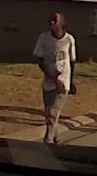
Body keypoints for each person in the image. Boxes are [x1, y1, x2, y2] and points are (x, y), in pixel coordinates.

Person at [32, 12, 76, 144]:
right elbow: (39, 60)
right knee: (48, 113)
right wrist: (52, 78)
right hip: (49, 82)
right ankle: (55, 136)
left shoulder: (69, 39)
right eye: (50, 20)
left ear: (62, 22)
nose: (52, 23)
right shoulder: (43, 38)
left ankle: (48, 141)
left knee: (53, 112)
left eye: (55, 20)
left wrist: (71, 82)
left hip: (63, 82)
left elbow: (72, 61)